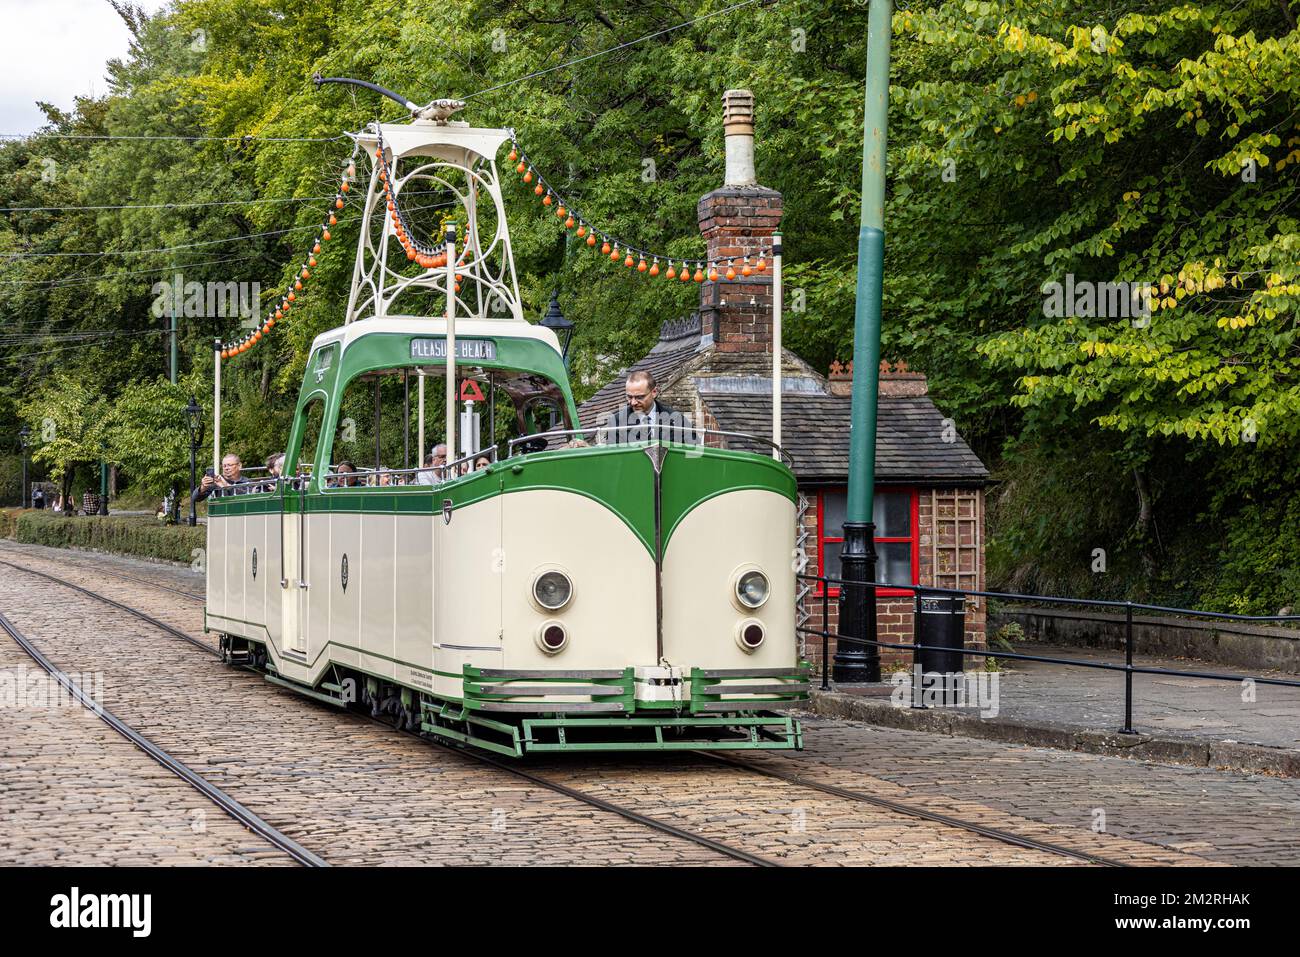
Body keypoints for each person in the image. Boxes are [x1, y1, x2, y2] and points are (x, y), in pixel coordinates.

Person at [600, 370, 692, 444]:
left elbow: (693, 452)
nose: (633, 402)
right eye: (629, 397)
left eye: (639, 397)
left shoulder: (676, 419)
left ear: (654, 392)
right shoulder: (617, 422)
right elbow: (612, 459)